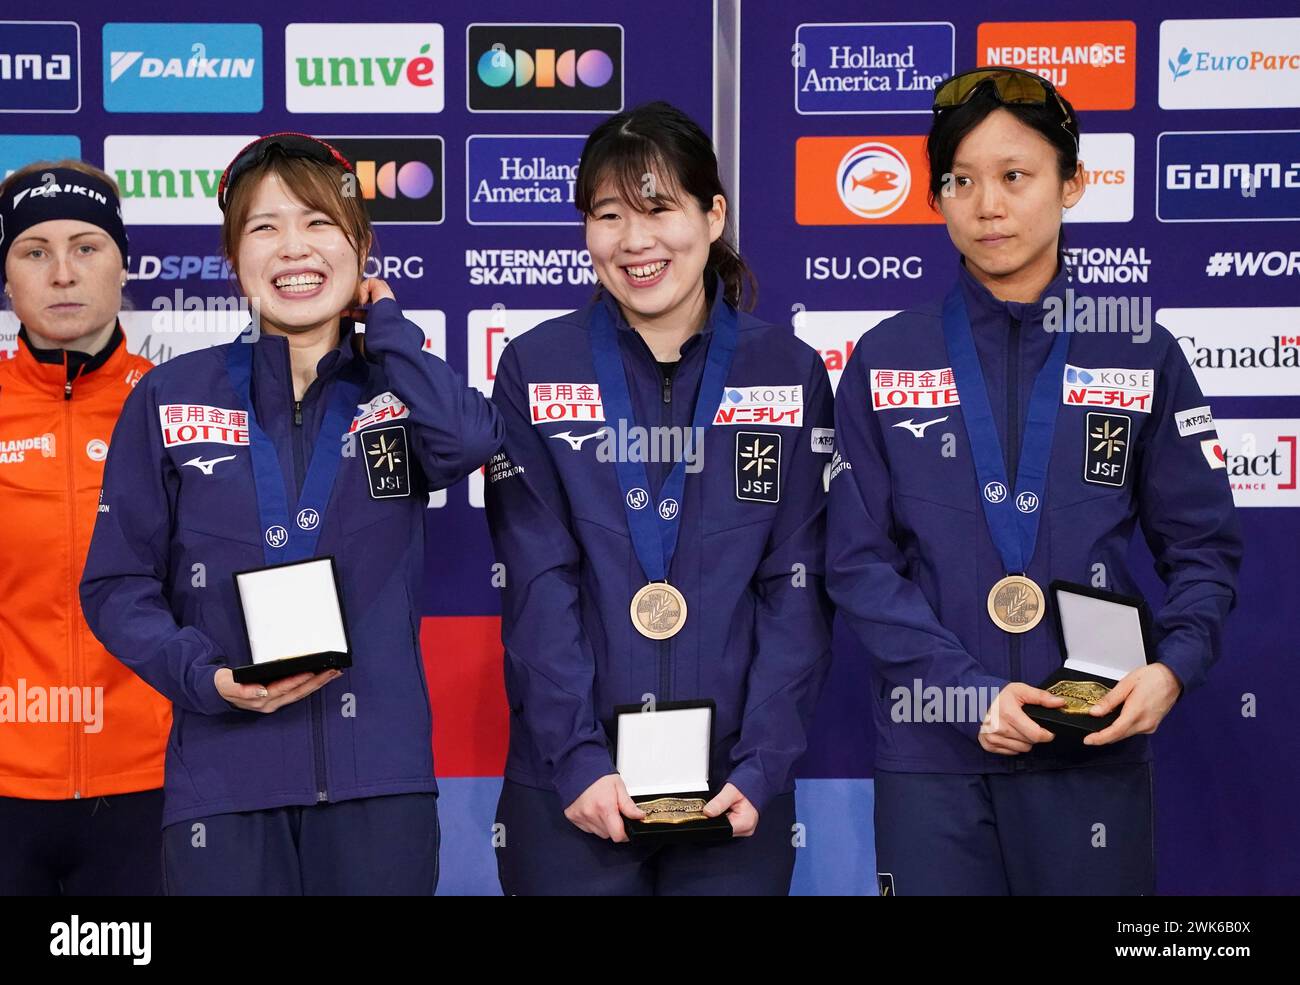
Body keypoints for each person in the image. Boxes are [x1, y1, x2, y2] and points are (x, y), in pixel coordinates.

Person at [827, 68, 1242, 895]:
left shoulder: (1140, 352)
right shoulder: (885, 357)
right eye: (962, 181)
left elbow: (1204, 550)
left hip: (1093, 748)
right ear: (938, 198)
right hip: (936, 751)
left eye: (1015, 176)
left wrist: (1174, 667)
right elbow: (856, 563)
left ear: (1072, 184)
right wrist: (962, 692)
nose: (988, 205)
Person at [80, 133, 504, 895]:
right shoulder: (172, 395)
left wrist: (392, 333)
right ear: (234, 257)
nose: (293, 248)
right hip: (223, 784)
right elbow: (115, 584)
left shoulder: (398, 391)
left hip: (380, 783)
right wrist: (202, 677)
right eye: (264, 227)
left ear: (361, 246)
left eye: (318, 223)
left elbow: (471, 438)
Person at [486, 102, 834, 895]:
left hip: (734, 795)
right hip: (571, 792)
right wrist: (576, 760)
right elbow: (539, 583)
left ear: (713, 216)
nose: (635, 241)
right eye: (609, 215)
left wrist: (764, 762)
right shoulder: (536, 369)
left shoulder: (788, 370)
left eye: (659, 209)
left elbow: (797, 586)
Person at [0, 160, 166, 895]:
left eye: (86, 246)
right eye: (34, 250)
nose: (62, 272)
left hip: (151, 781)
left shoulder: (176, 406)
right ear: (8, 275)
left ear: (124, 264)